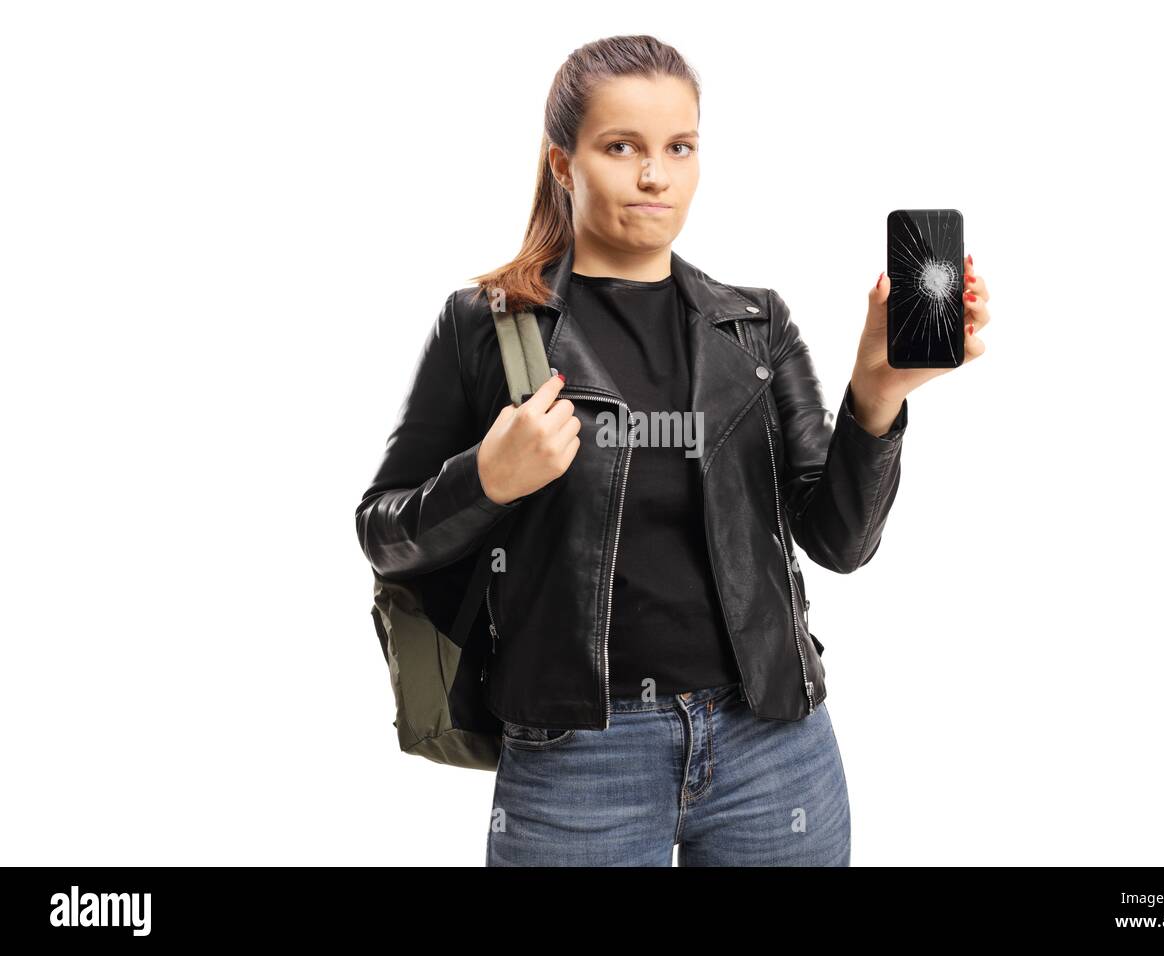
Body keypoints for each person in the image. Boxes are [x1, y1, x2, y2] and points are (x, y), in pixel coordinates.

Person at [354, 34, 992, 866]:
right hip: (579, 755)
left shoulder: (754, 324)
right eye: (622, 148)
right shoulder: (487, 324)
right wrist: (488, 479)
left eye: (678, 148)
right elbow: (383, 530)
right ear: (563, 162)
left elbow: (838, 542)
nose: (656, 176)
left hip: (772, 745)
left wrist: (877, 396)